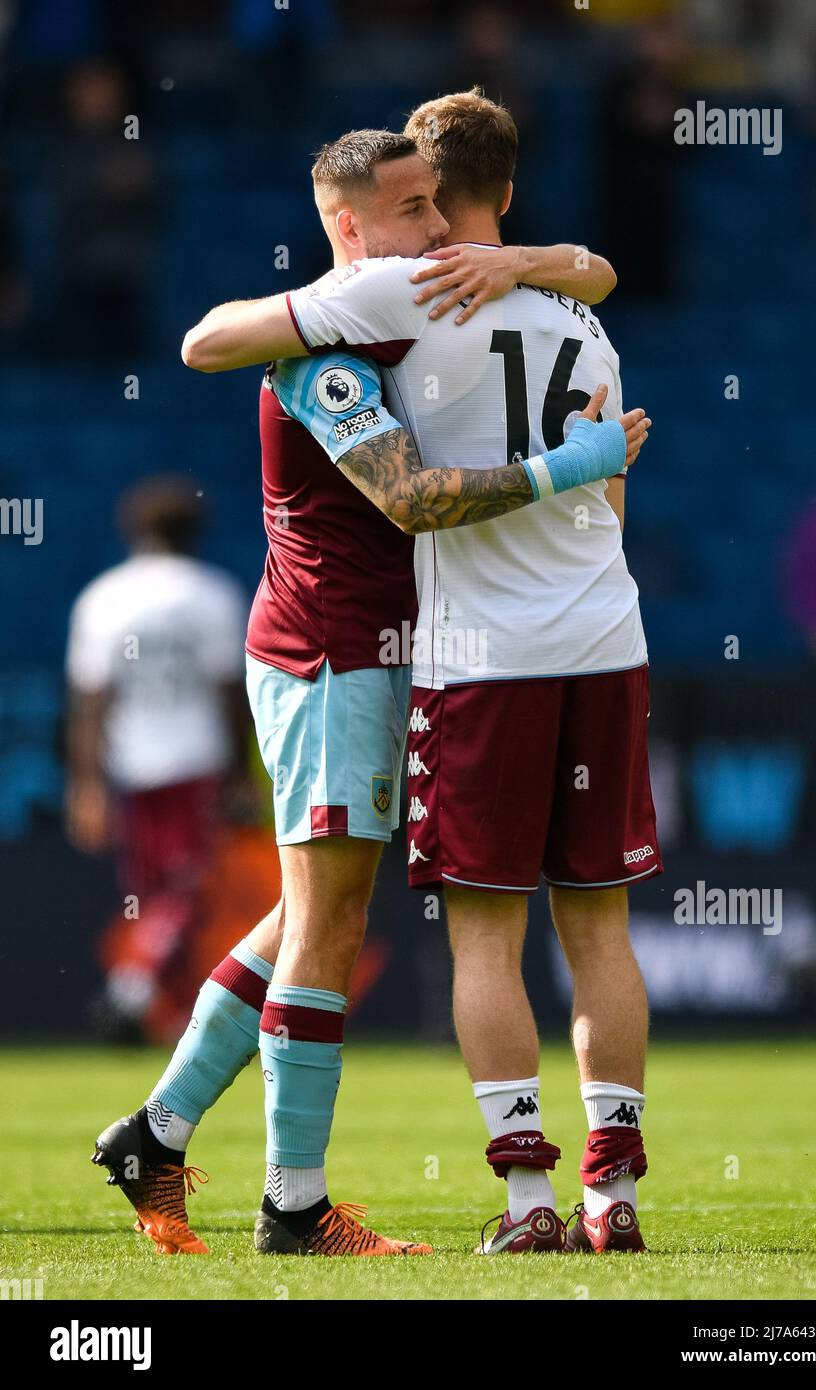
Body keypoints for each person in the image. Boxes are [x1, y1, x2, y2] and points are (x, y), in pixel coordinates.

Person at [92, 127, 643, 1258]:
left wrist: (532, 260)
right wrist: (564, 472)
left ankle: (158, 1130)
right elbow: (407, 499)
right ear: (350, 228)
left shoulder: (399, 316)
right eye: (410, 209)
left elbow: (591, 270)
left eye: (442, 203)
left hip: (389, 652)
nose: (437, 230)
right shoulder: (328, 347)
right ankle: (292, 1204)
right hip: (331, 654)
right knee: (330, 921)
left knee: (311, 913)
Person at [66, 476, 250, 1041]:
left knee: (151, 896)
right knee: (184, 893)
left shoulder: (103, 597)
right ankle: (132, 992)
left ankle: (154, 1008)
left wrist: (86, 783)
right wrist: (241, 771)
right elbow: (230, 691)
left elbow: (90, 702)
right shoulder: (212, 593)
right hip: (197, 763)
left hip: (132, 767)